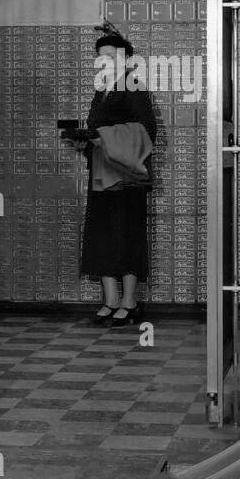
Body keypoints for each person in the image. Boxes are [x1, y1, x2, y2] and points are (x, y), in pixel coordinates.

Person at [76, 33, 157, 327]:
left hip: (126, 175)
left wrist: (104, 137)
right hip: (101, 173)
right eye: (100, 56)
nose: (104, 61)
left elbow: (146, 131)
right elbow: (94, 127)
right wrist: (84, 139)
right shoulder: (102, 91)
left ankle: (129, 301)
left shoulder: (134, 87)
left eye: (110, 56)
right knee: (101, 235)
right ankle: (110, 299)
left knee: (127, 234)